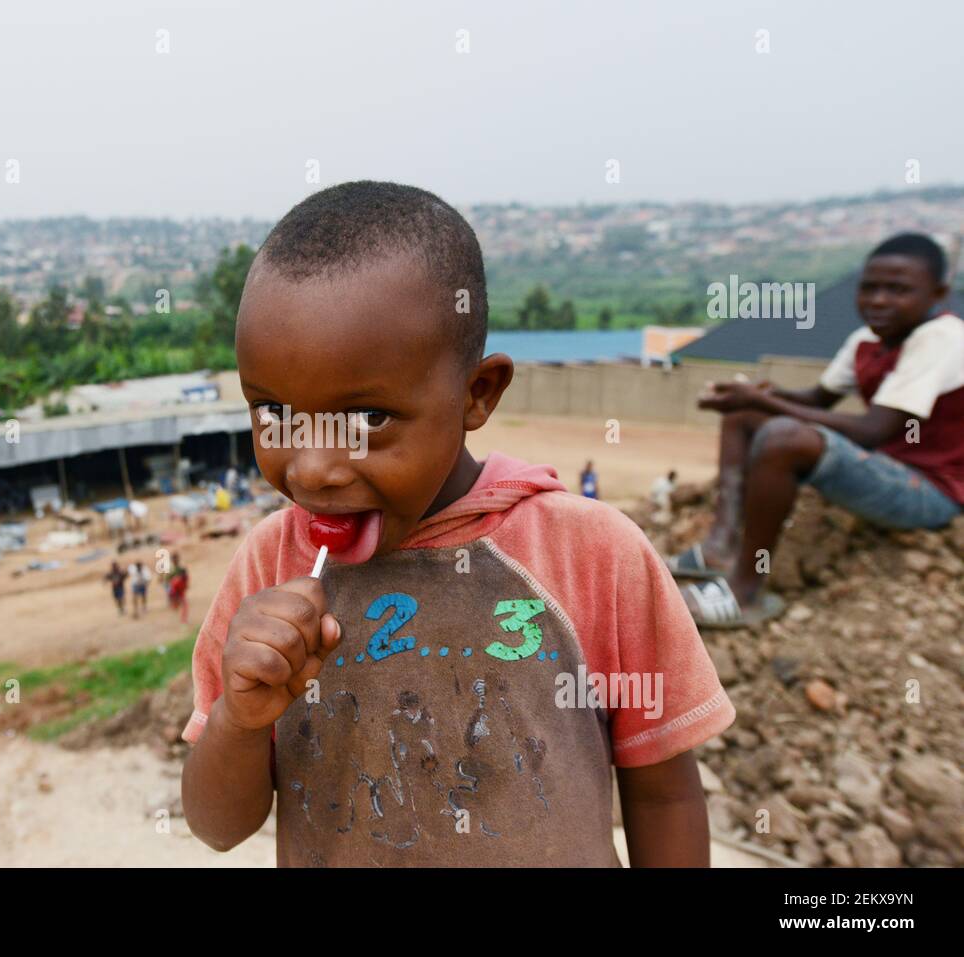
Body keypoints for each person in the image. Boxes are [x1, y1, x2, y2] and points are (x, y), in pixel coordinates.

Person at [179, 181, 732, 867]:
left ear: (478, 393)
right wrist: (239, 717)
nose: (313, 466)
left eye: (367, 420)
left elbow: (664, 796)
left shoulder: (592, 554)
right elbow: (216, 826)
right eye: (274, 413)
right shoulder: (269, 568)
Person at [671, 233, 964, 628]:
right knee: (745, 415)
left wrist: (765, 402)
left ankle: (744, 592)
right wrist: (754, 395)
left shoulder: (943, 338)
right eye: (870, 288)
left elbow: (873, 430)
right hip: (886, 468)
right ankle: (720, 547)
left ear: (939, 293)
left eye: (898, 290)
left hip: (930, 492)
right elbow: (816, 400)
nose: (878, 300)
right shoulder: (868, 340)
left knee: (784, 437)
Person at [168, 555, 190, 625]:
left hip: (178, 592)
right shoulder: (174, 574)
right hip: (176, 592)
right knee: (181, 605)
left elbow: (186, 581)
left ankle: (183, 620)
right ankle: (182, 619)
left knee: (183, 605)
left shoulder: (180, 570)